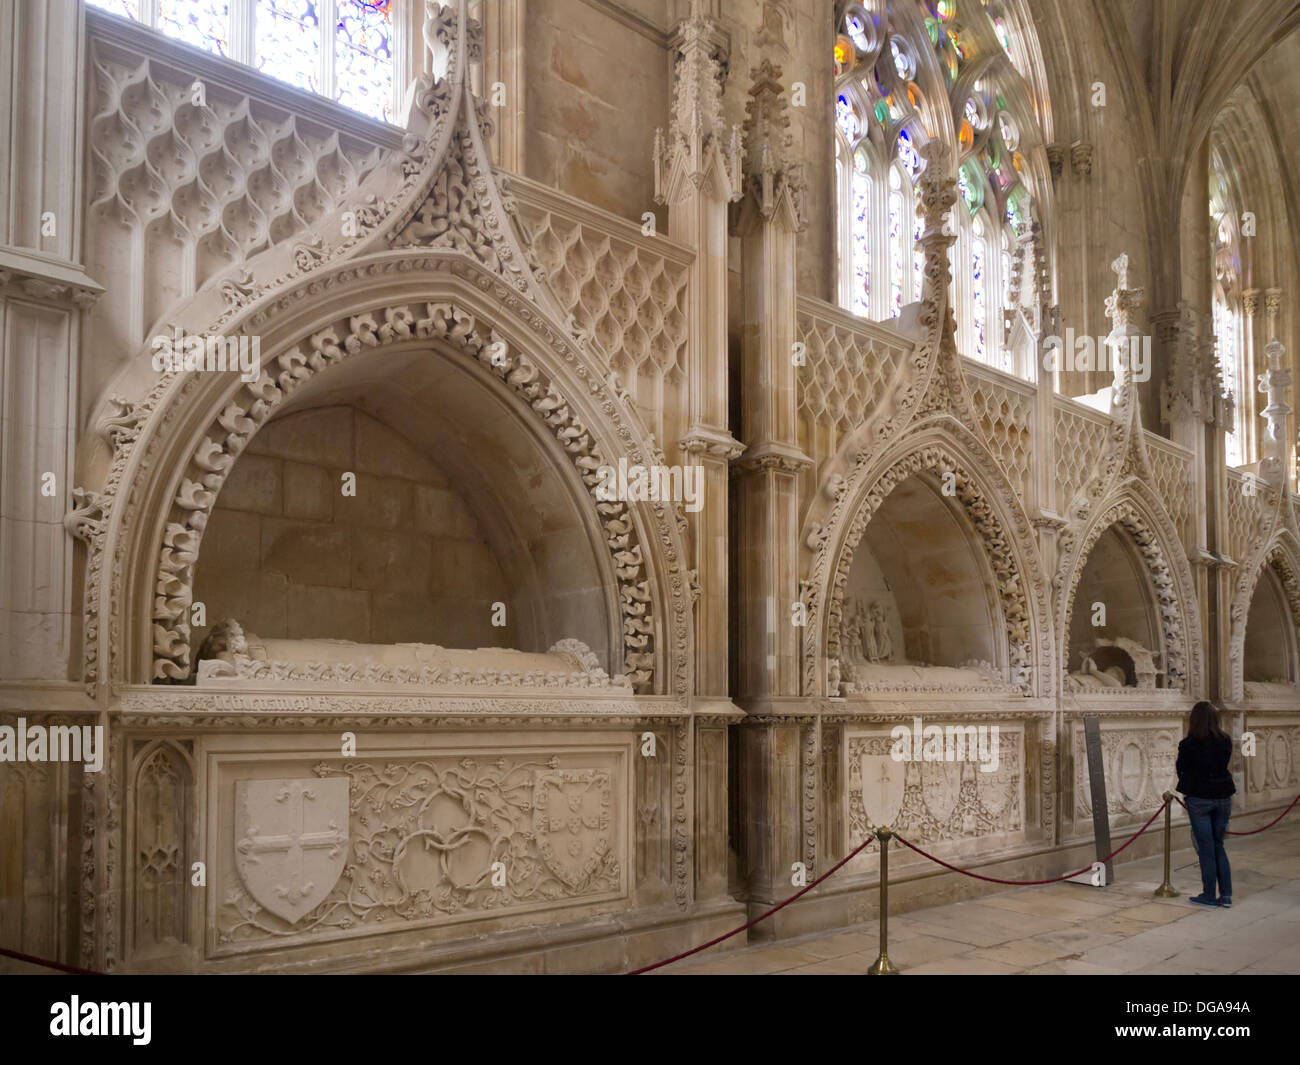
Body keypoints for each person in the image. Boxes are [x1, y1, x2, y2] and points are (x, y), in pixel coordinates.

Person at [1175, 701, 1236, 908]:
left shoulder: (1188, 744)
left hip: (1199, 799)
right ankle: (1226, 895)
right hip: (1223, 796)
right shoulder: (1225, 740)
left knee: (1206, 848)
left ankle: (1209, 895)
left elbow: (1181, 769)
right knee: (1218, 845)